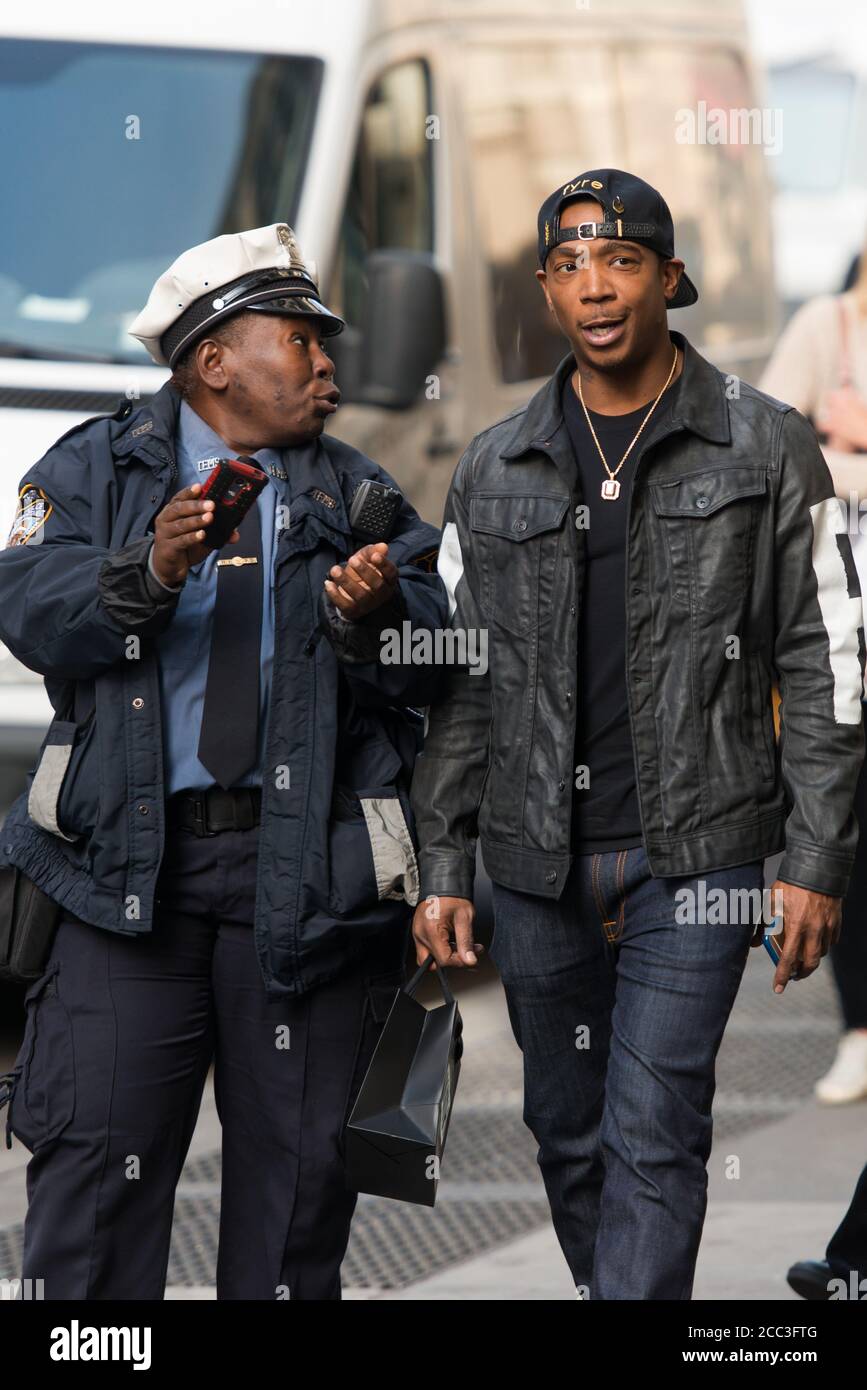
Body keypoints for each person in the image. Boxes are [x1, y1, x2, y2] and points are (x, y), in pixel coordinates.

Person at [410, 169, 866, 1300]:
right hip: (532, 861)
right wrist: (445, 860)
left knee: (654, 1127)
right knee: (569, 1136)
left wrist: (816, 862)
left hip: (696, 858)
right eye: (569, 265)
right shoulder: (493, 464)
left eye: (620, 261)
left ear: (670, 278)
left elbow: (826, 660)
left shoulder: (765, 447)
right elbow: (463, 682)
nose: (595, 287)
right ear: (546, 290)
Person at [0, 223, 447, 1300]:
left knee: (294, 1214)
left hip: (303, 895)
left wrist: (379, 617)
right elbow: (25, 607)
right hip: (122, 892)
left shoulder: (361, 496)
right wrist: (143, 570)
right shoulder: (93, 471)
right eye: (300, 339)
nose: (327, 362)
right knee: (93, 1204)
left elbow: (441, 663)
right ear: (214, 361)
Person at [760, 247, 867, 1103]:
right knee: (847, 825)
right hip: (844, 624)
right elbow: (770, 453)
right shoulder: (821, 328)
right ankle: (859, 1030)